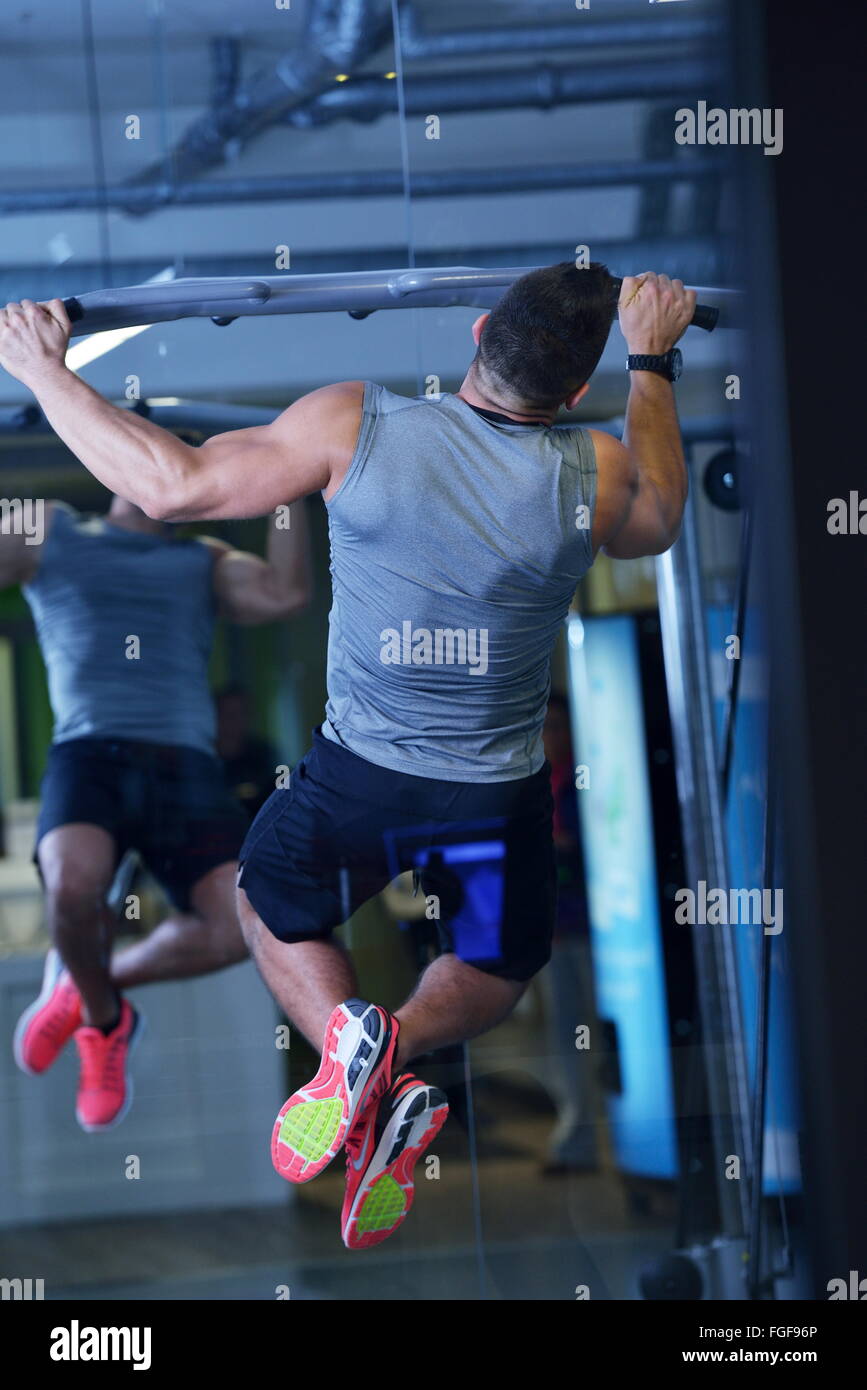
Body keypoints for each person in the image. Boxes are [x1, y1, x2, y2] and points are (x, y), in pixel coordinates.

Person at [0, 263, 694, 1245]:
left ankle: (349, 1042)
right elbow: (661, 520)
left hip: (360, 779)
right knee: (497, 970)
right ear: (578, 394)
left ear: (480, 331)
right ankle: (390, 1045)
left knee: (262, 901)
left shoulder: (358, 424)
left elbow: (173, 482)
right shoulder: (597, 470)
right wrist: (655, 362)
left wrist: (41, 367)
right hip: (493, 793)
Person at [0, 489, 310, 1131]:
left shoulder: (204, 560)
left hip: (185, 764)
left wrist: (291, 490)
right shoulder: (52, 529)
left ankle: (88, 987)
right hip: (90, 752)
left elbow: (285, 593)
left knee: (242, 927)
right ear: (119, 467)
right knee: (72, 885)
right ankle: (106, 1024)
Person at [539, 691, 600, 1173]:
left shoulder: (586, 779)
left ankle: (614, 1132)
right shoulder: (537, 782)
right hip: (553, 931)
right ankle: (578, 1136)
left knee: (600, 1033)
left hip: (596, 929)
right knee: (566, 1035)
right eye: (545, 726)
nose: (550, 736)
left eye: (558, 726)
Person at [215, 683, 281, 820]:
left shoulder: (264, 754)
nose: (235, 721)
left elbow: (280, 794)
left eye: (241, 713)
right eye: (228, 714)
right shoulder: (203, 759)